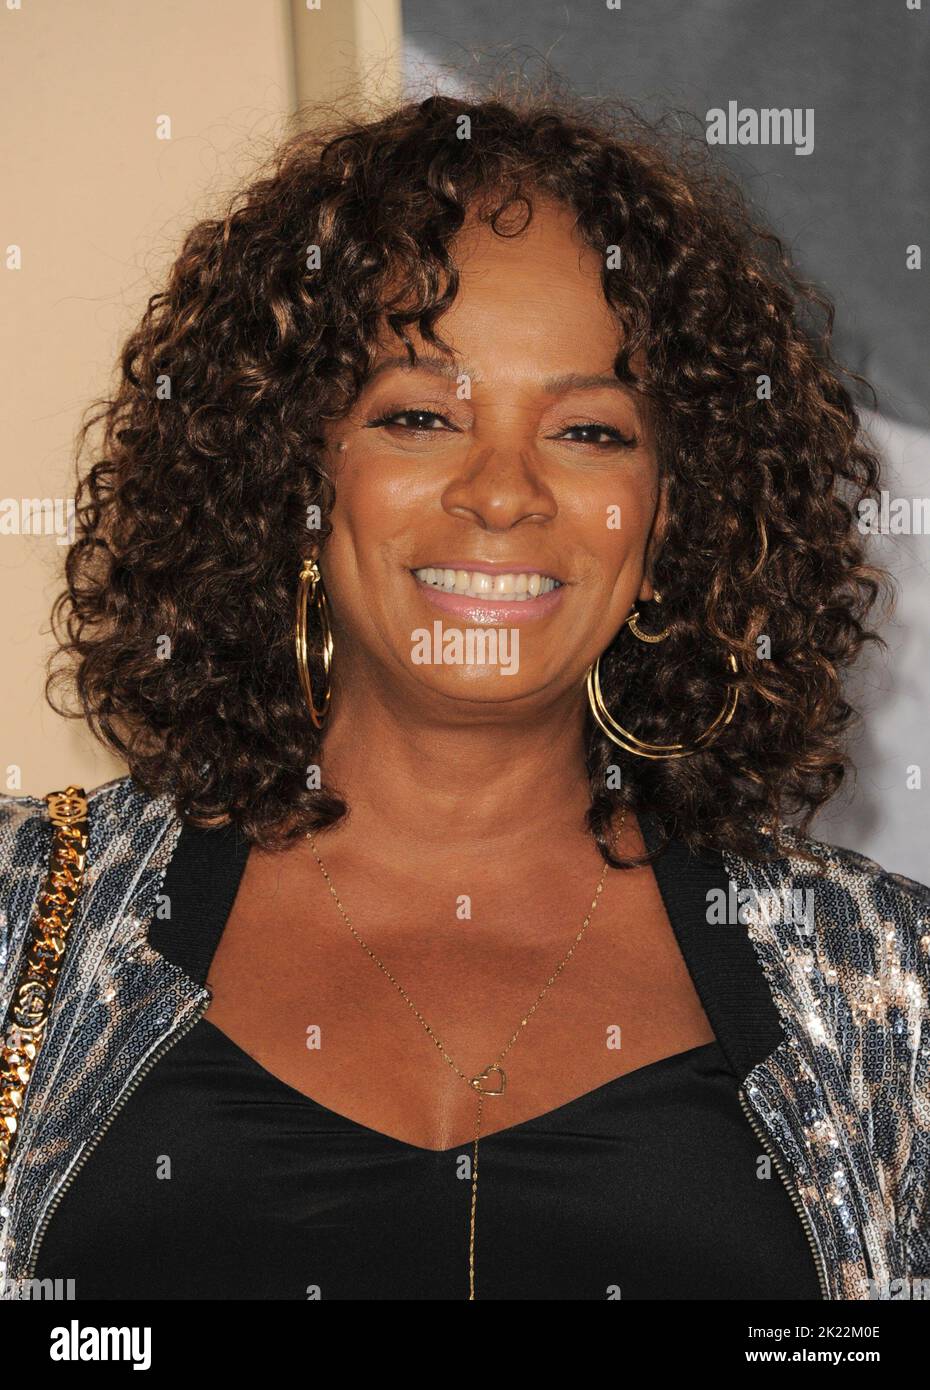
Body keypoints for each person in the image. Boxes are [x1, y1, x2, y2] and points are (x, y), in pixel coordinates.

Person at [0, 88, 927, 1302]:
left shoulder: (894, 989)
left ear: (672, 516)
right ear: (296, 477)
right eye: (421, 414)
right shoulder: (25, 925)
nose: (503, 493)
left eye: (590, 431)